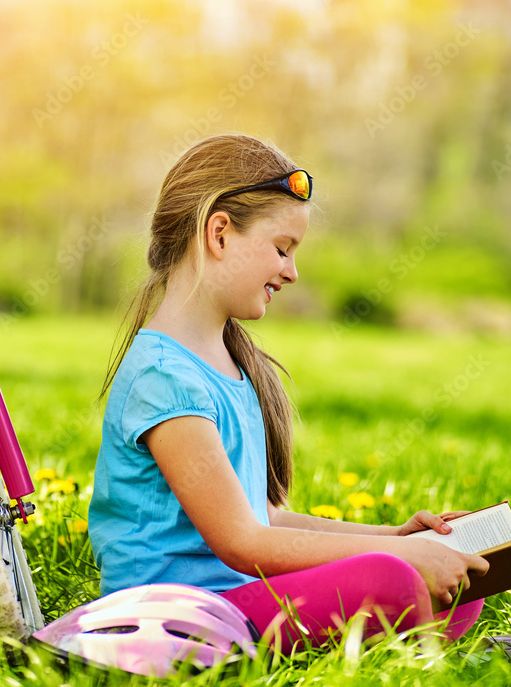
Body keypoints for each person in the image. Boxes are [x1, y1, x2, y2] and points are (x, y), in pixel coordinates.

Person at [87, 133, 489, 649]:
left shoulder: (227, 366)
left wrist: (397, 539)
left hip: (231, 605)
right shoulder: (163, 378)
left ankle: (402, 639)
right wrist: (399, 562)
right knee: (395, 583)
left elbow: (263, 517)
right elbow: (242, 542)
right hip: (170, 620)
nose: (292, 271)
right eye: (282, 248)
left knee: (456, 580)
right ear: (219, 234)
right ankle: (398, 643)